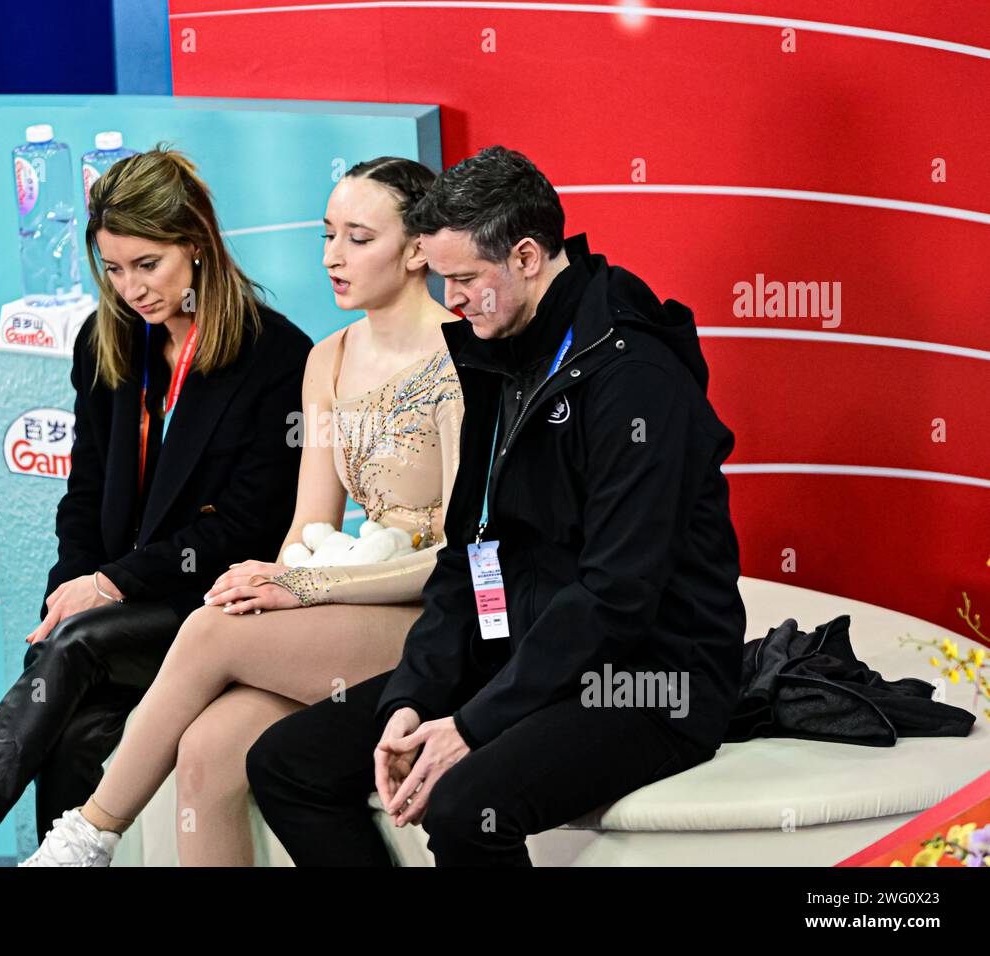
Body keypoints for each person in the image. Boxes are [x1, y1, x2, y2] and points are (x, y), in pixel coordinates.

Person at [245, 145, 747, 866]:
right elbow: (465, 555)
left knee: (465, 810)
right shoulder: (493, 350)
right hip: (520, 654)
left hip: (645, 678)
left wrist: (475, 726)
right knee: (287, 764)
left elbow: (615, 597)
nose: (450, 300)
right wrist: (411, 701)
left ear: (528, 255)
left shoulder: (635, 378)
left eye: (465, 279)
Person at [18, 156, 465, 866]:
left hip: (437, 617)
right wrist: (277, 584)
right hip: (349, 600)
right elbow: (307, 529)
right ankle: (85, 836)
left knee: (210, 630)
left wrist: (302, 588)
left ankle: (87, 834)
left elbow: (463, 559)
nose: (332, 258)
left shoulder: (464, 363)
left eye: (357, 238)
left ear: (417, 250)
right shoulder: (329, 358)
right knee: (206, 753)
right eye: (326, 236)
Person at [0, 145, 312, 866]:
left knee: (77, 647)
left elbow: (248, 529)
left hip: (215, 605)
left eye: (147, 265)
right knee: (76, 717)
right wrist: (77, 583)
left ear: (196, 246)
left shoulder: (275, 356)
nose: (131, 288)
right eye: (113, 269)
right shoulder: (108, 341)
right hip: (124, 605)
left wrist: (112, 585)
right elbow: (85, 493)